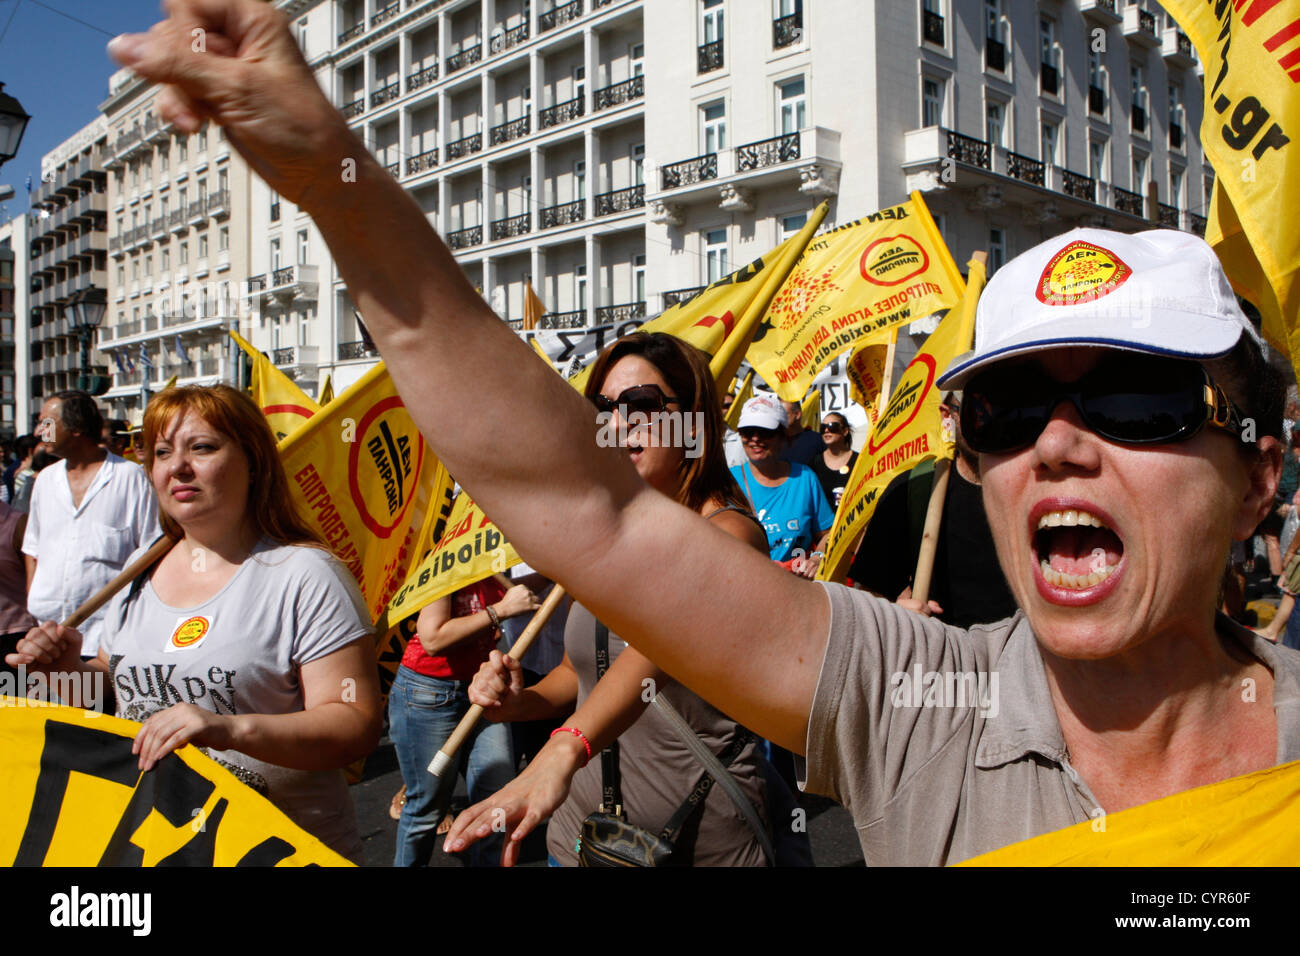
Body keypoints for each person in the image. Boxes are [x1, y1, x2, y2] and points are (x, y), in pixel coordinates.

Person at [112, 9, 1299, 864]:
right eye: (1006, 410)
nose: (1057, 445)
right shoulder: (919, 694)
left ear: (1258, 472)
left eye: (1136, 402)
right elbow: (589, 507)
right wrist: (334, 174)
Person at [445, 332, 780, 867]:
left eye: (642, 405)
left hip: (695, 845)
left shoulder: (730, 536)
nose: (619, 423)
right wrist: (521, 702)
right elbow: (578, 676)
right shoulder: (610, 537)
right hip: (580, 842)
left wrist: (561, 749)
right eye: (601, 409)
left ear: (692, 420)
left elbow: (657, 650)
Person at [8, 385, 381, 862]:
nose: (177, 467)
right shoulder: (139, 572)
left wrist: (226, 729)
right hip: (157, 850)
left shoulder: (305, 576)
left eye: (201, 448)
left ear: (253, 461)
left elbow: (356, 724)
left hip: (284, 851)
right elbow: (121, 685)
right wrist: (69, 673)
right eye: (162, 452)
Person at [389, 576, 539, 867]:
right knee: (426, 809)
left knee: (495, 805)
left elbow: (526, 588)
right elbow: (433, 638)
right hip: (428, 694)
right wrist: (501, 611)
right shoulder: (450, 555)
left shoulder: (489, 557)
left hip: (483, 692)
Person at [849, 394, 1018, 629]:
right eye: (978, 411)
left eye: (1006, 409)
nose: (994, 423)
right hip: (947, 661)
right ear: (948, 415)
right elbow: (869, 599)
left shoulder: (1043, 485)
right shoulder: (913, 489)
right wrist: (895, 616)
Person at [22, 391, 161, 658]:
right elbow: (33, 548)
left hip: (106, 640)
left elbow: (152, 554)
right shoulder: (45, 481)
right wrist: (34, 598)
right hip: (46, 636)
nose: (40, 432)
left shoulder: (131, 479)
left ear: (75, 428)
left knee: (90, 699)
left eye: (47, 423)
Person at [731, 393, 833, 578]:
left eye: (764, 431)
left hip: (795, 590)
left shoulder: (805, 478)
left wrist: (817, 558)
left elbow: (826, 534)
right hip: (744, 590)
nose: (755, 439)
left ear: (783, 436)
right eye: (747, 431)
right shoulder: (727, 481)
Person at [807, 411, 858, 510]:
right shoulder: (814, 463)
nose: (826, 430)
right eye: (823, 427)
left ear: (845, 431)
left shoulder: (859, 461)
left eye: (832, 427)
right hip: (825, 524)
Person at [779, 398, 822, 465]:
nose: (780, 417)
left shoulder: (817, 440)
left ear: (798, 414)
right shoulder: (773, 441)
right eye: (778, 414)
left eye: (784, 413)